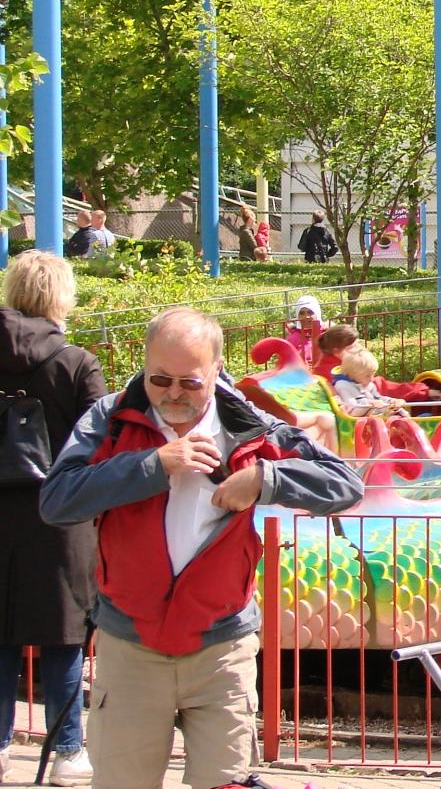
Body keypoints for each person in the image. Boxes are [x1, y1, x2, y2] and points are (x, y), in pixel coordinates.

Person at [38, 307, 363, 789]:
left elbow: (345, 484)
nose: (172, 393)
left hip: (220, 646)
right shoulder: (110, 418)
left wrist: (265, 478)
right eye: (160, 379)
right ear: (145, 366)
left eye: (189, 382)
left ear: (215, 369)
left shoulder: (249, 422)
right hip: (131, 645)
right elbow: (57, 501)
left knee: (225, 782)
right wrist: (152, 465)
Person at [0, 252, 108, 785]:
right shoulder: (75, 362)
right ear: (61, 296)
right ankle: (67, 751)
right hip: (61, 517)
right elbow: (103, 443)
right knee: (64, 639)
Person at [331, 346, 405, 421]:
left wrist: (392, 401)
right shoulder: (343, 386)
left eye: (373, 374)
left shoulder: (367, 383)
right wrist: (370, 403)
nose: (372, 379)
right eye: (367, 375)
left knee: (399, 411)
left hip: (374, 416)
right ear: (352, 373)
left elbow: (378, 398)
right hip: (357, 423)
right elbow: (352, 412)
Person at [285, 295, 324, 367]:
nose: (306, 316)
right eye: (302, 313)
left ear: (317, 312)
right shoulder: (292, 339)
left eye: (310, 312)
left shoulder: (328, 335)